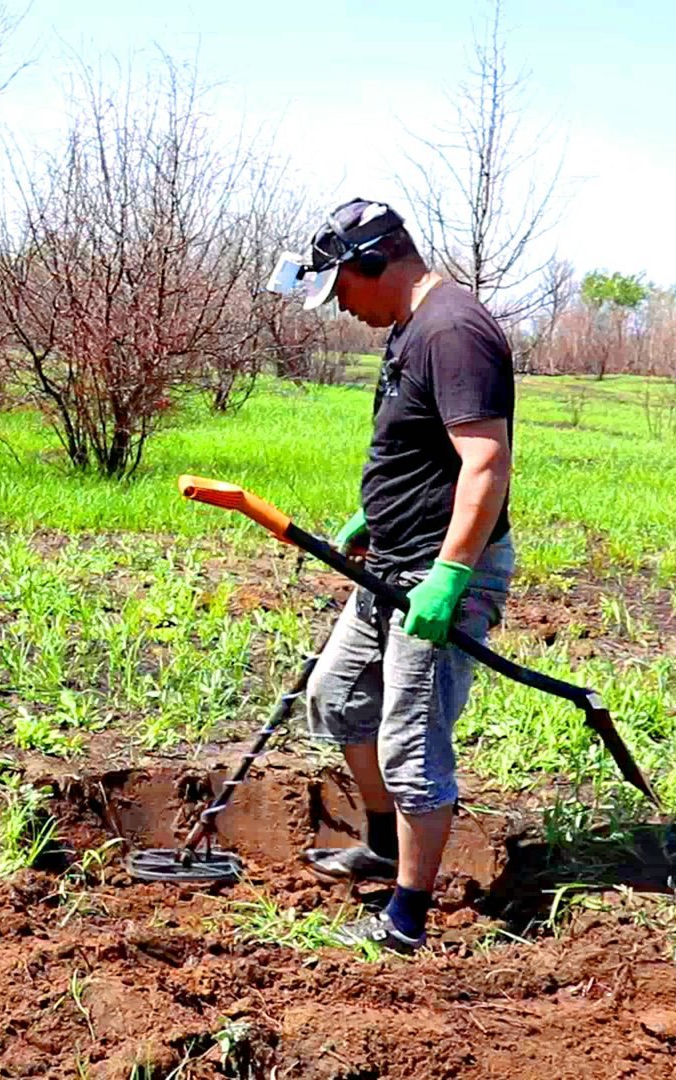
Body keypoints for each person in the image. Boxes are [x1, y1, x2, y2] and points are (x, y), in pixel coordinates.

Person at [274, 199, 517, 953]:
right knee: (339, 697)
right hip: (392, 557)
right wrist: (371, 517)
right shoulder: (411, 326)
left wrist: (450, 576)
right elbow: (422, 448)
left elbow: (486, 462)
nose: (341, 306)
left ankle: (406, 921)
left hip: (438, 569)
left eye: (342, 289)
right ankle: (383, 847)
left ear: (374, 263)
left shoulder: (453, 331)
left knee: (411, 743)